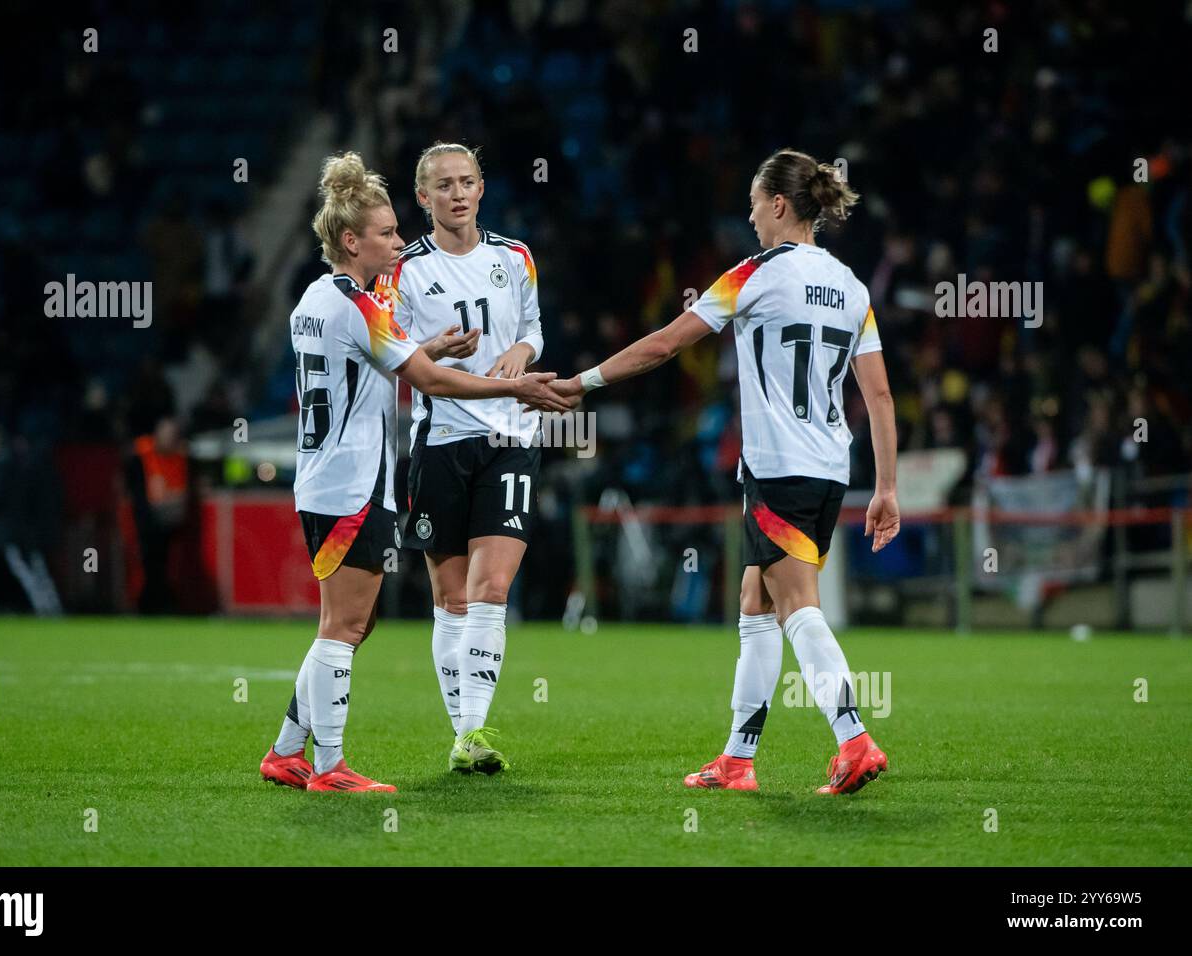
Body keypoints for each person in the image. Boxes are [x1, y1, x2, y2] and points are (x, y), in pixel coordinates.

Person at [551, 149, 901, 796]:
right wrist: (885, 487)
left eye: (752, 203)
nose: (748, 216)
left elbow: (666, 344)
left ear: (777, 204)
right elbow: (878, 396)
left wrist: (583, 382)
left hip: (779, 469)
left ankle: (853, 738)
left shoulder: (756, 275)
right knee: (755, 600)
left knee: (796, 605)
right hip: (830, 468)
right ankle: (737, 760)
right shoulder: (852, 287)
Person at [258, 152, 568, 794]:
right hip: (354, 483)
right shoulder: (368, 303)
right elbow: (420, 379)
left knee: (358, 622)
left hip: (325, 479)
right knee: (344, 626)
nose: (397, 244)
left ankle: (289, 748)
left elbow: (375, 360)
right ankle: (328, 767)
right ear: (353, 241)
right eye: (386, 234)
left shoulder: (316, 299)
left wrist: (426, 351)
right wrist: (513, 387)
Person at [375, 143, 544, 774]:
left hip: (509, 439)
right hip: (440, 440)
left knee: (491, 587)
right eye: (443, 185)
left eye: (467, 181)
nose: (457, 194)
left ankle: (472, 732)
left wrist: (522, 354)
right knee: (450, 599)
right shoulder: (404, 270)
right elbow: (392, 352)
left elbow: (534, 325)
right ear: (422, 198)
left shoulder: (515, 255)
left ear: (482, 187)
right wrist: (432, 349)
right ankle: (464, 733)